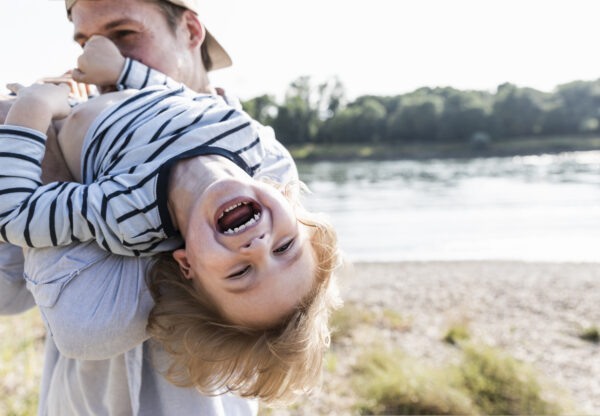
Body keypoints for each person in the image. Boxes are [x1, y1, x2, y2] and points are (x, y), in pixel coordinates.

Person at [0, 0, 340, 412]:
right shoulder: (232, 141)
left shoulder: (262, 156)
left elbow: (80, 322)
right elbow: (6, 292)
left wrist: (33, 130)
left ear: (192, 32)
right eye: (85, 42)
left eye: (124, 34)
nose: (92, 57)